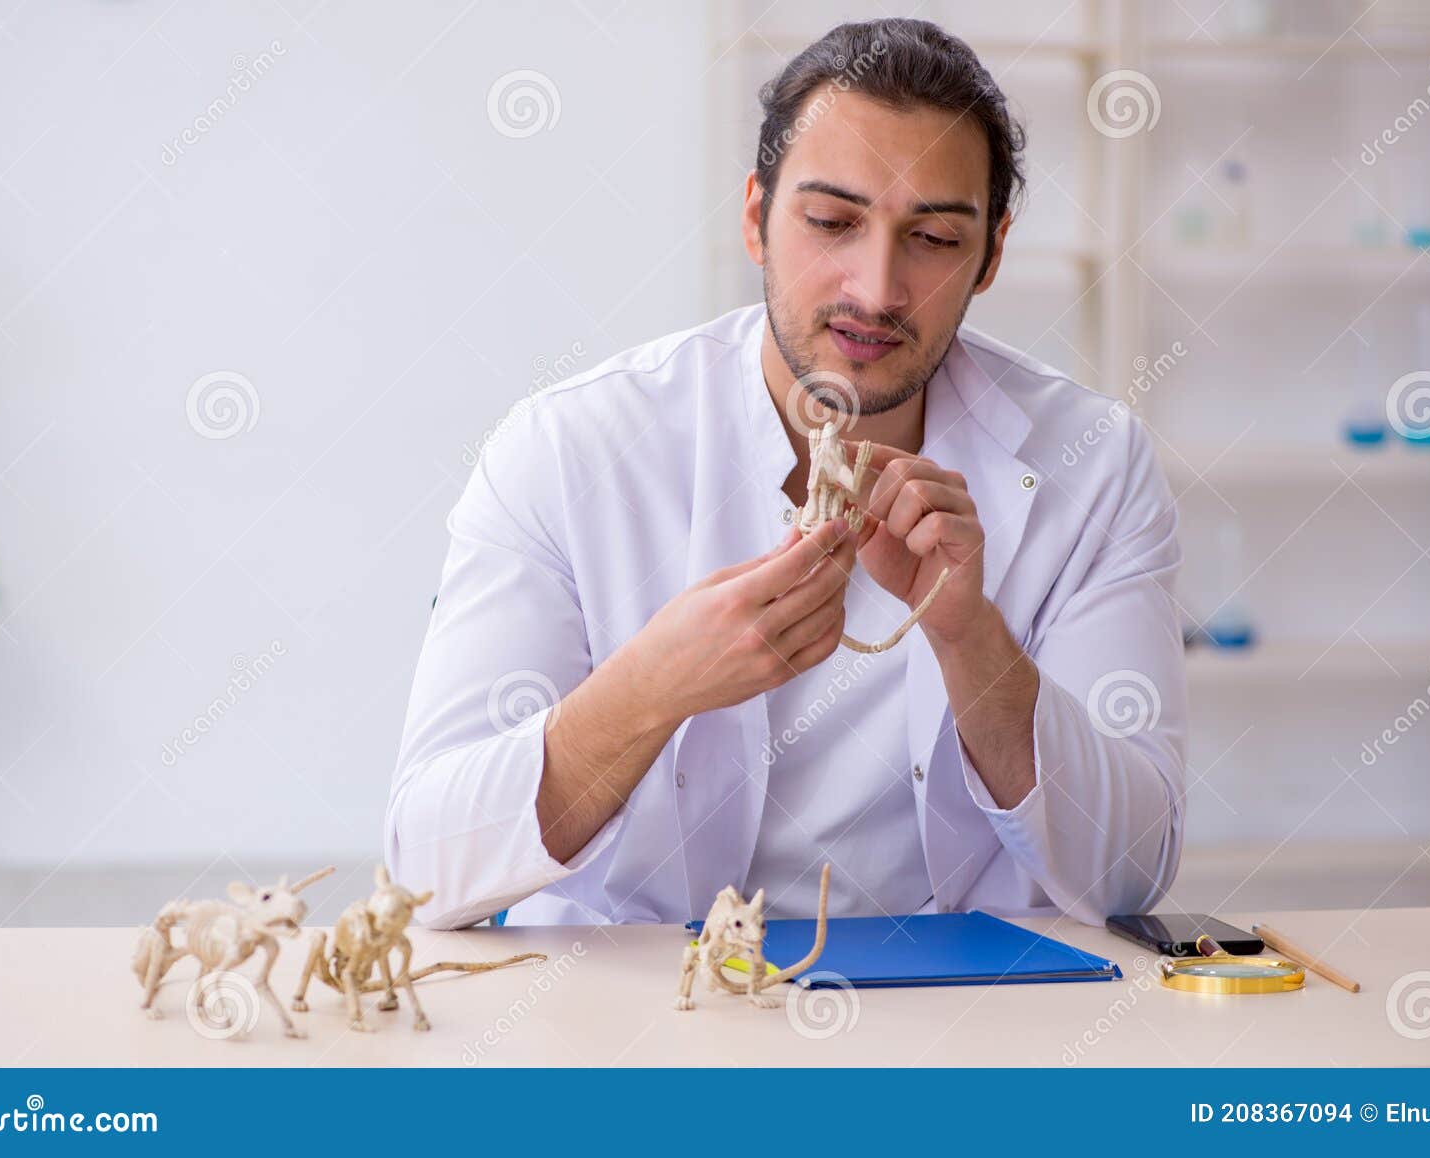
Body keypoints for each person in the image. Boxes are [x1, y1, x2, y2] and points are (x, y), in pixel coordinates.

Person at [384, 18, 1186, 929]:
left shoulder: (1095, 464)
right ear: (756, 217)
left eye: (932, 238)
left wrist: (971, 640)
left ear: (991, 256)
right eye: (832, 222)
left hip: (961, 1020)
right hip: (631, 1025)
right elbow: (426, 866)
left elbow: (1130, 873)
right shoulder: (568, 449)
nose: (876, 289)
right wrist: (651, 687)